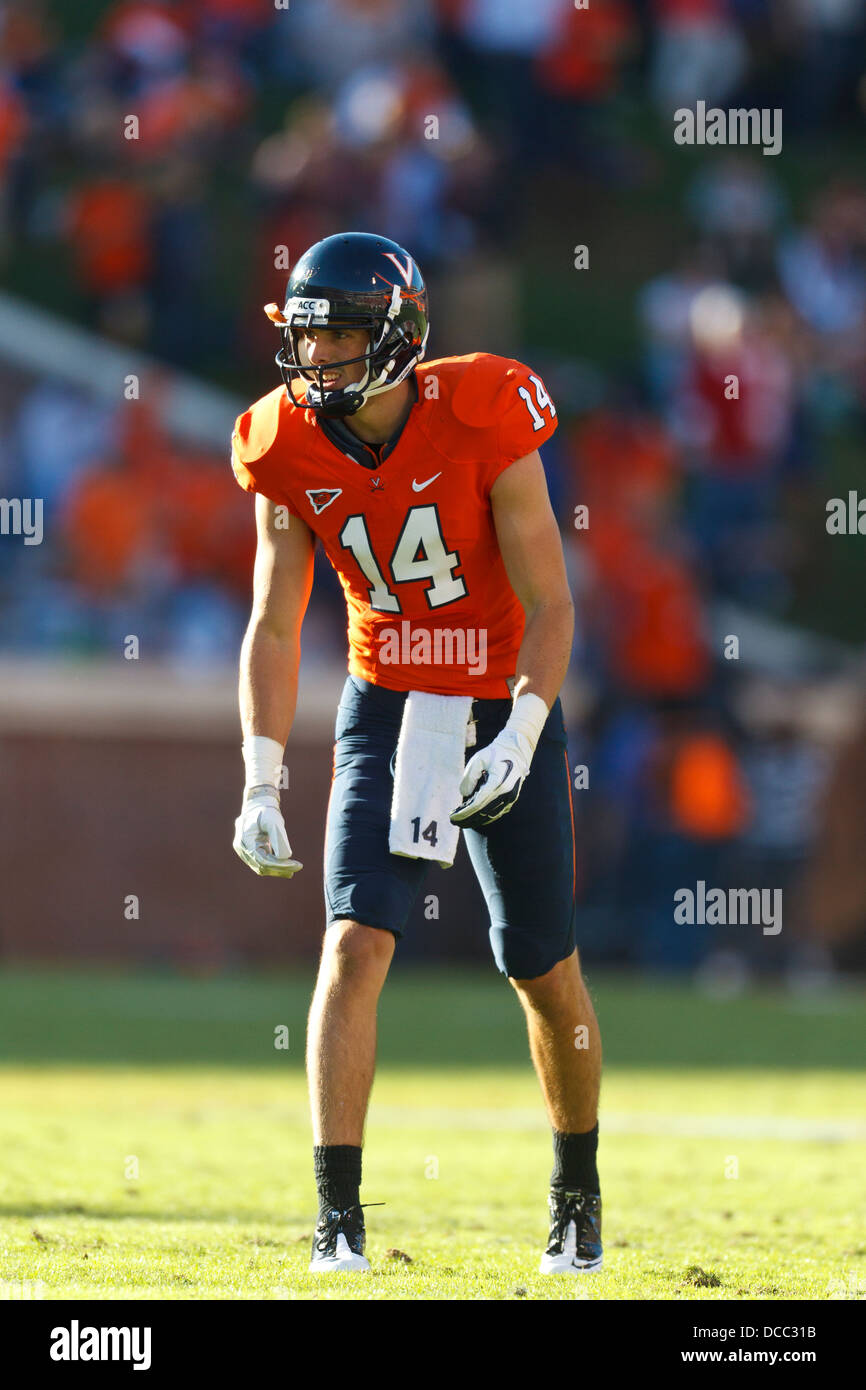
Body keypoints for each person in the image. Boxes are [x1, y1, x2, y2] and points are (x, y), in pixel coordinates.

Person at [230, 231, 602, 1276]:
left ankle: (575, 1191)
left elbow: (551, 602)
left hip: (497, 697)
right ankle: (336, 1217)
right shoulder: (279, 442)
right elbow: (271, 620)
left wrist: (524, 729)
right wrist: (260, 772)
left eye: (342, 337)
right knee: (353, 943)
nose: (321, 361)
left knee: (539, 966)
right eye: (309, 339)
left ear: (396, 337)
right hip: (388, 699)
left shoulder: (483, 411)